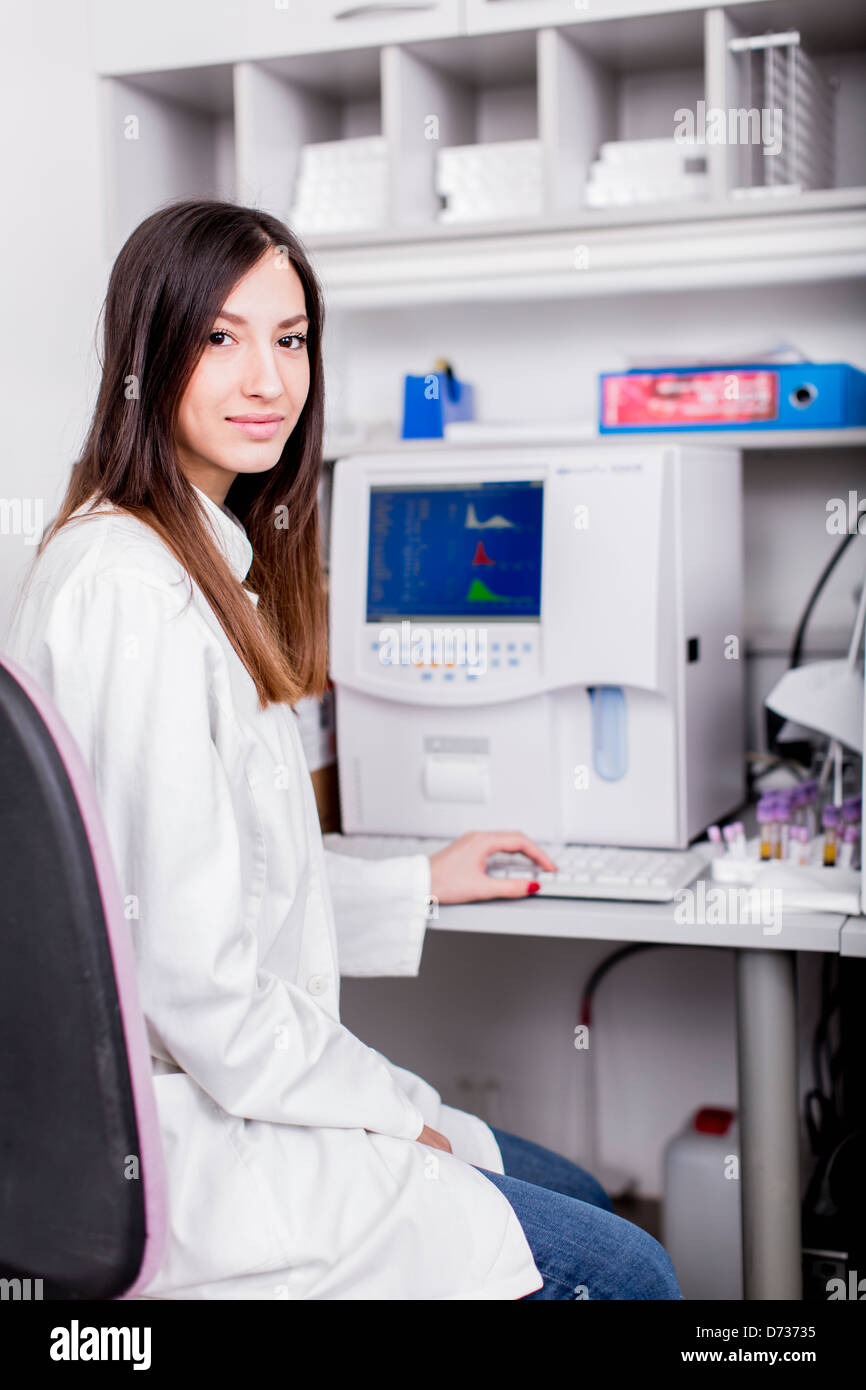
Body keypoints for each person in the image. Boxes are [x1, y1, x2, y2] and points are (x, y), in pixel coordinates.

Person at [5, 199, 681, 1301]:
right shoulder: (133, 591)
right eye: (220, 338)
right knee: (626, 1271)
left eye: (290, 338)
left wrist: (417, 880)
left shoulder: (189, 562)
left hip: (225, 1093)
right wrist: (397, 1116)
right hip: (190, 1143)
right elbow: (195, 981)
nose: (267, 380)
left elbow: (207, 871)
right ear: (145, 355)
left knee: (577, 1197)